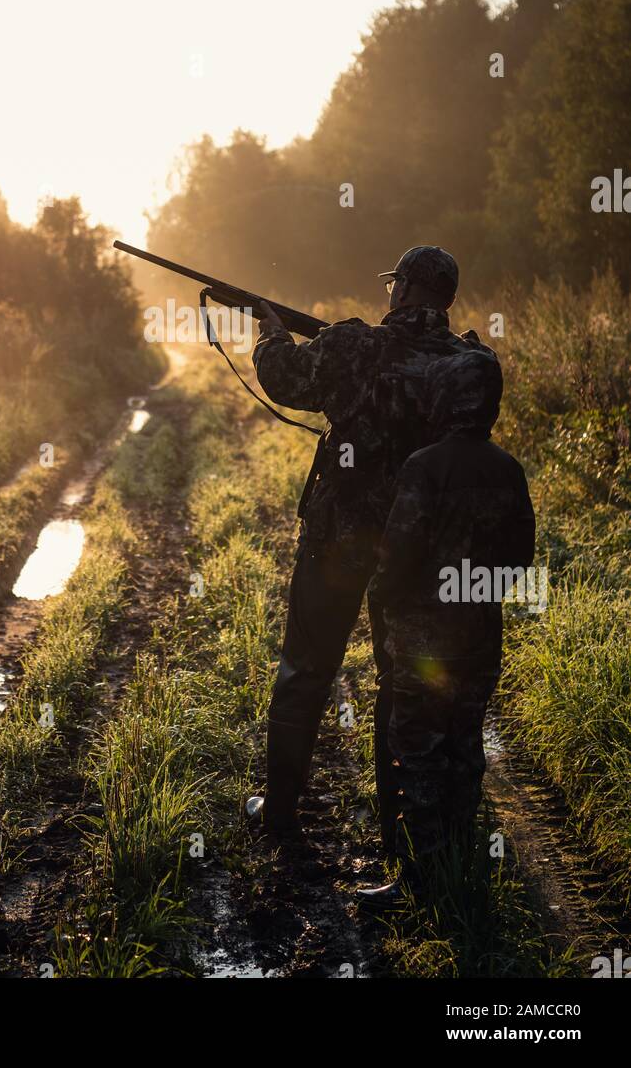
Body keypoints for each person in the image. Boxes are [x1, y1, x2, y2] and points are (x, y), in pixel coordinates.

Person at [245, 245, 501, 844]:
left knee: (307, 665)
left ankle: (279, 811)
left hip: (339, 539)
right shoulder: (470, 364)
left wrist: (271, 333)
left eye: (395, 285)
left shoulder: (355, 345)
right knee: (398, 681)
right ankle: (400, 833)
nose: (390, 293)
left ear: (405, 288)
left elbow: (288, 381)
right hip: (415, 550)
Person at [357, 351, 535, 906]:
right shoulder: (508, 468)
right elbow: (519, 561)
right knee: (464, 749)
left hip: (422, 644)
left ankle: (420, 880)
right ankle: (462, 863)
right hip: (480, 638)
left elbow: (397, 560)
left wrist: (385, 601)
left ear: (443, 397)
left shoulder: (422, 466)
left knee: (417, 755)